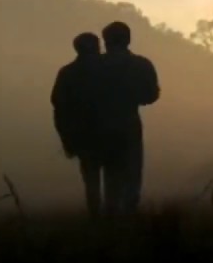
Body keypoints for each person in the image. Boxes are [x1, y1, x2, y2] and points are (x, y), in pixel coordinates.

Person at [96, 21, 160, 214]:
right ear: (128, 39)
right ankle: (130, 211)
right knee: (132, 169)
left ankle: (111, 212)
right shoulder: (141, 64)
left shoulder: (96, 65)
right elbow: (151, 95)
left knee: (110, 170)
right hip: (129, 121)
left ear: (106, 41)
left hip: (103, 124)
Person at [50, 32, 105, 218]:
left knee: (91, 181)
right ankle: (118, 221)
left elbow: (59, 109)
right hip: (115, 134)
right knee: (117, 180)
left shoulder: (67, 73)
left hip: (84, 137)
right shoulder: (110, 69)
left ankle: (96, 219)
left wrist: (67, 139)